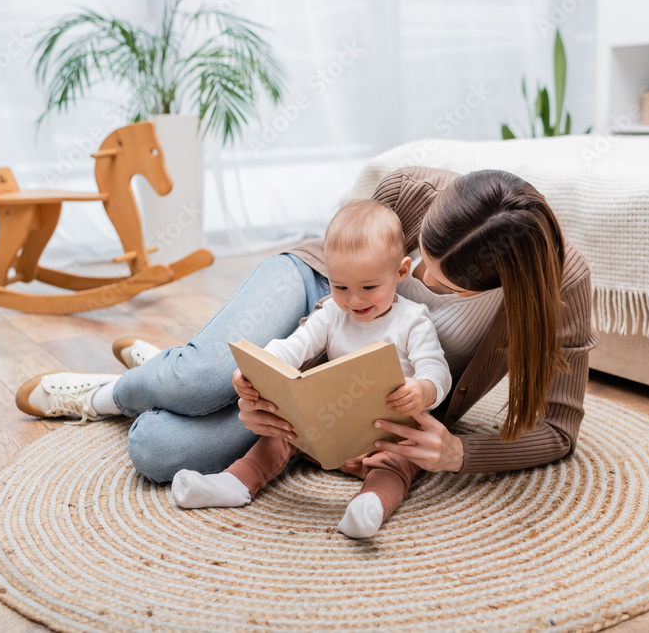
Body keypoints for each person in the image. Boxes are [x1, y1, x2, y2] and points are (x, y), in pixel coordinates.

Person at [16, 166, 597, 496]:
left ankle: (174, 369)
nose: (417, 275)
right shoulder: (414, 191)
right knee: (201, 382)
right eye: (419, 256)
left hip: (352, 385)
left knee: (157, 450)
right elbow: (340, 274)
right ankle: (114, 391)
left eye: (440, 286)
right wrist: (277, 383)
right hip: (316, 296)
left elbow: (557, 430)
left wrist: (458, 450)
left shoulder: (562, 284)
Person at [170, 199, 451, 539]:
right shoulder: (333, 312)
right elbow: (293, 346)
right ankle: (234, 483)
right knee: (279, 434)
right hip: (326, 432)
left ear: (401, 272)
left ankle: (370, 507)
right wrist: (257, 371)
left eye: (369, 288)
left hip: (384, 438)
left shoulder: (412, 319)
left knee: (397, 465)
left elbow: (437, 369)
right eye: (341, 286)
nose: (355, 301)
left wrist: (422, 390)